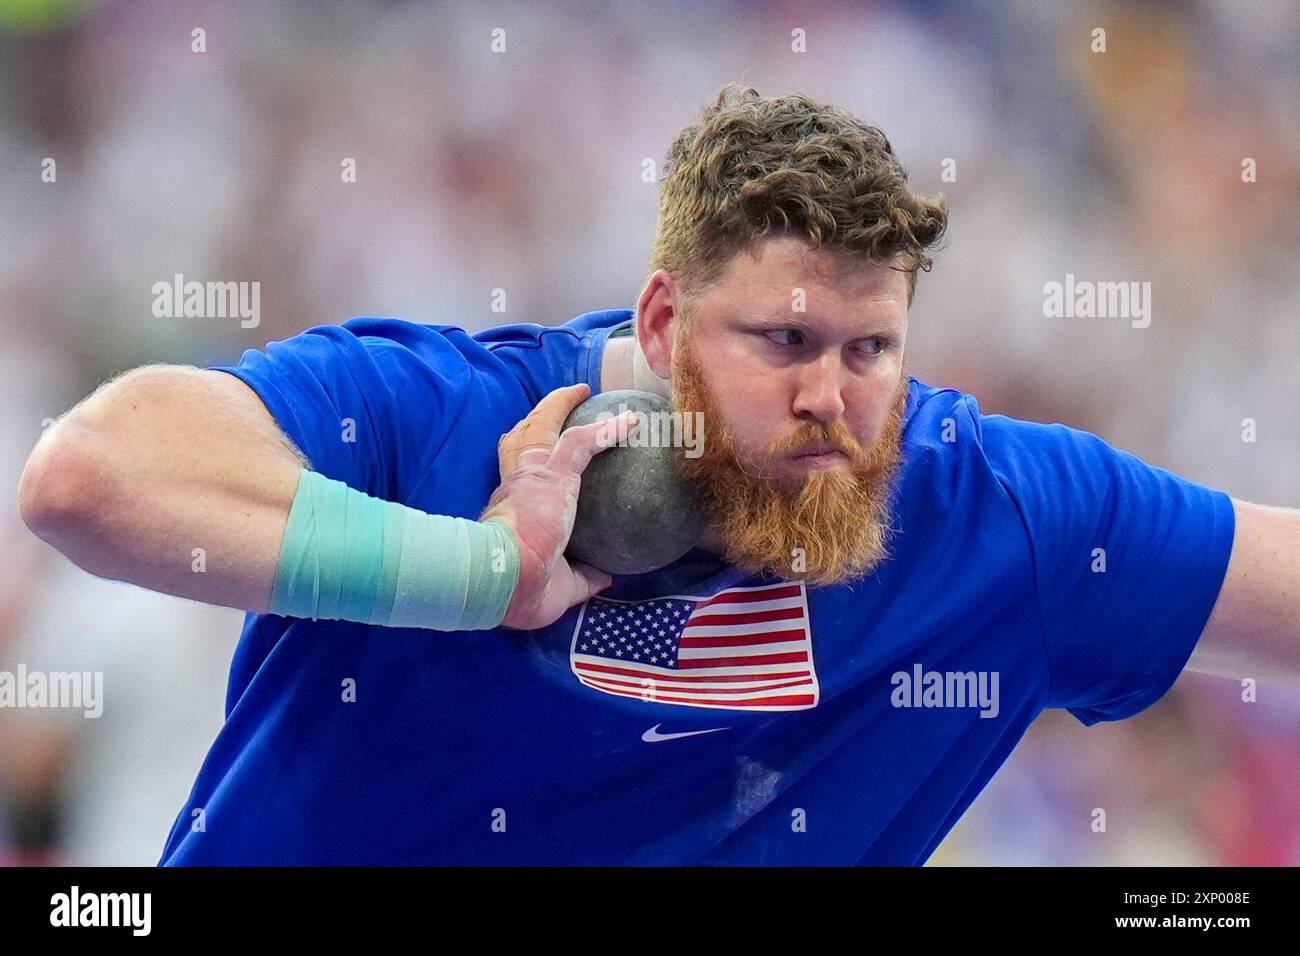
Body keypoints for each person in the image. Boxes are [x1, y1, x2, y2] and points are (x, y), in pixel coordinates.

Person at [16, 84, 1295, 865]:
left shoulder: (993, 515)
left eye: (871, 349)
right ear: (666, 322)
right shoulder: (452, 415)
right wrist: (470, 568)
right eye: (783, 341)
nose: (830, 399)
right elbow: (89, 476)